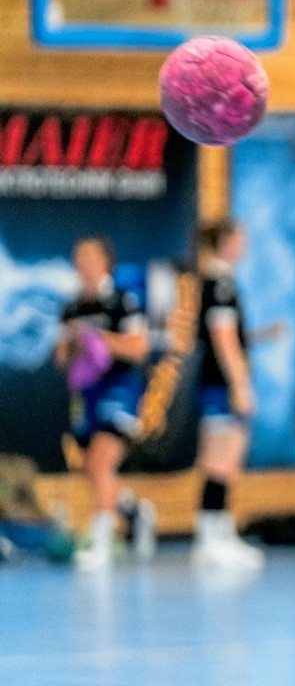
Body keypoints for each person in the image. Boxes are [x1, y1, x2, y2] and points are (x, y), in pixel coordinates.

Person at [54, 235, 152, 570]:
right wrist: (71, 344)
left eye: (90, 258)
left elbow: (139, 347)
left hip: (119, 390)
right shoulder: (72, 308)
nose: (83, 265)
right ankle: (133, 510)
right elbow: (61, 360)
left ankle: (102, 544)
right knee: (90, 469)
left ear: (105, 262)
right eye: (78, 259)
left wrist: (100, 341)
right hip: (86, 396)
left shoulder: (124, 301)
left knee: (101, 461)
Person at [191, 219, 264, 570]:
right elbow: (222, 337)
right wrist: (240, 385)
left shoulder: (219, 282)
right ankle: (210, 540)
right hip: (220, 383)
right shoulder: (220, 284)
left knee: (226, 461)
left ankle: (219, 534)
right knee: (219, 460)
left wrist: (263, 335)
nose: (244, 245)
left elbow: (230, 334)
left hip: (219, 381)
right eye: (240, 238)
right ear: (225, 242)